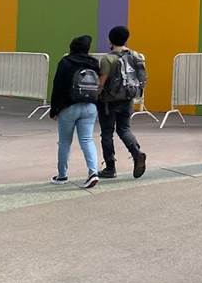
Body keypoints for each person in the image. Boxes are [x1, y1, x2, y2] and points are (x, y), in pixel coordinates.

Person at [48, 35, 101, 188]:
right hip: (90, 106)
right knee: (87, 139)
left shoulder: (65, 62)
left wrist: (54, 109)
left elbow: (57, 86)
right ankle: (93, 172)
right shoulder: (93, 63)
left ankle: (62, 176)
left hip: (69, 106)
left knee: (65, 142)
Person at [97, 25, 147, 180]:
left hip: (109, 102)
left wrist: (94, 96)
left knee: (107, 133)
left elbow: (101, 83)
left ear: (110, 39)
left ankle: (110, 168)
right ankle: (136, 153)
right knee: (124, 129)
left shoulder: (107, 59)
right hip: (128, 99)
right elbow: (143, 79)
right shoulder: (135, 56)